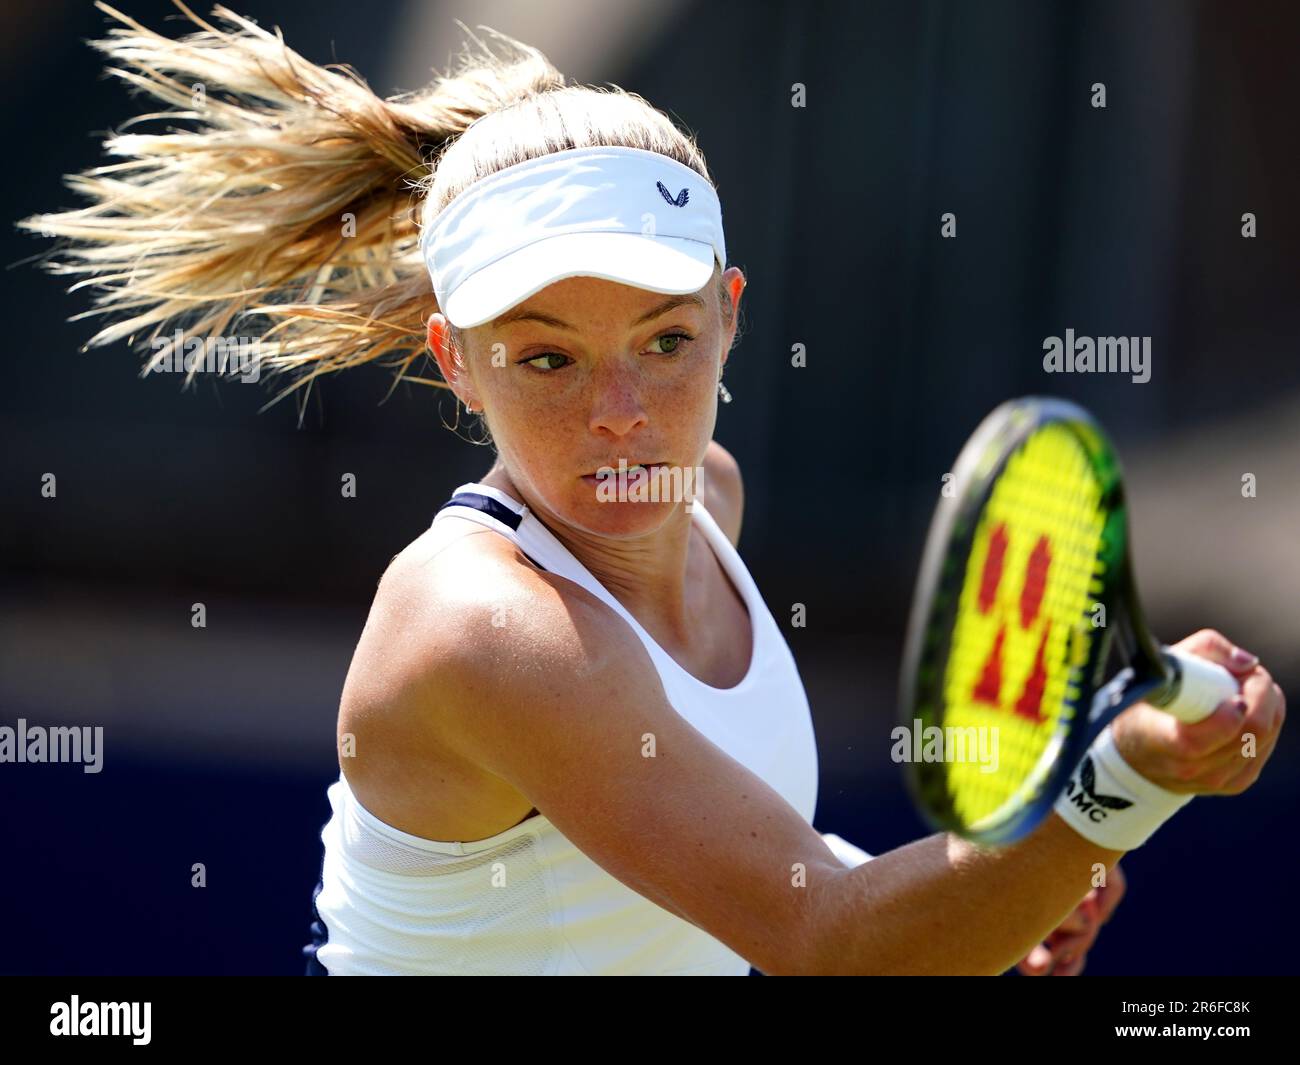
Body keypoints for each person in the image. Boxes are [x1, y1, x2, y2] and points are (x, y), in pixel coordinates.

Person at [25, 4, 1284, 976]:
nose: (619, 412)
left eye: (664, 342)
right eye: (547, 358)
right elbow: (830, 946)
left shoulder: (705, 501)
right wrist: (1118, 791)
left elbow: (709, 865)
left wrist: (991, 896)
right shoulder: (484, 631)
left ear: (729, 323)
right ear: (456, 363)